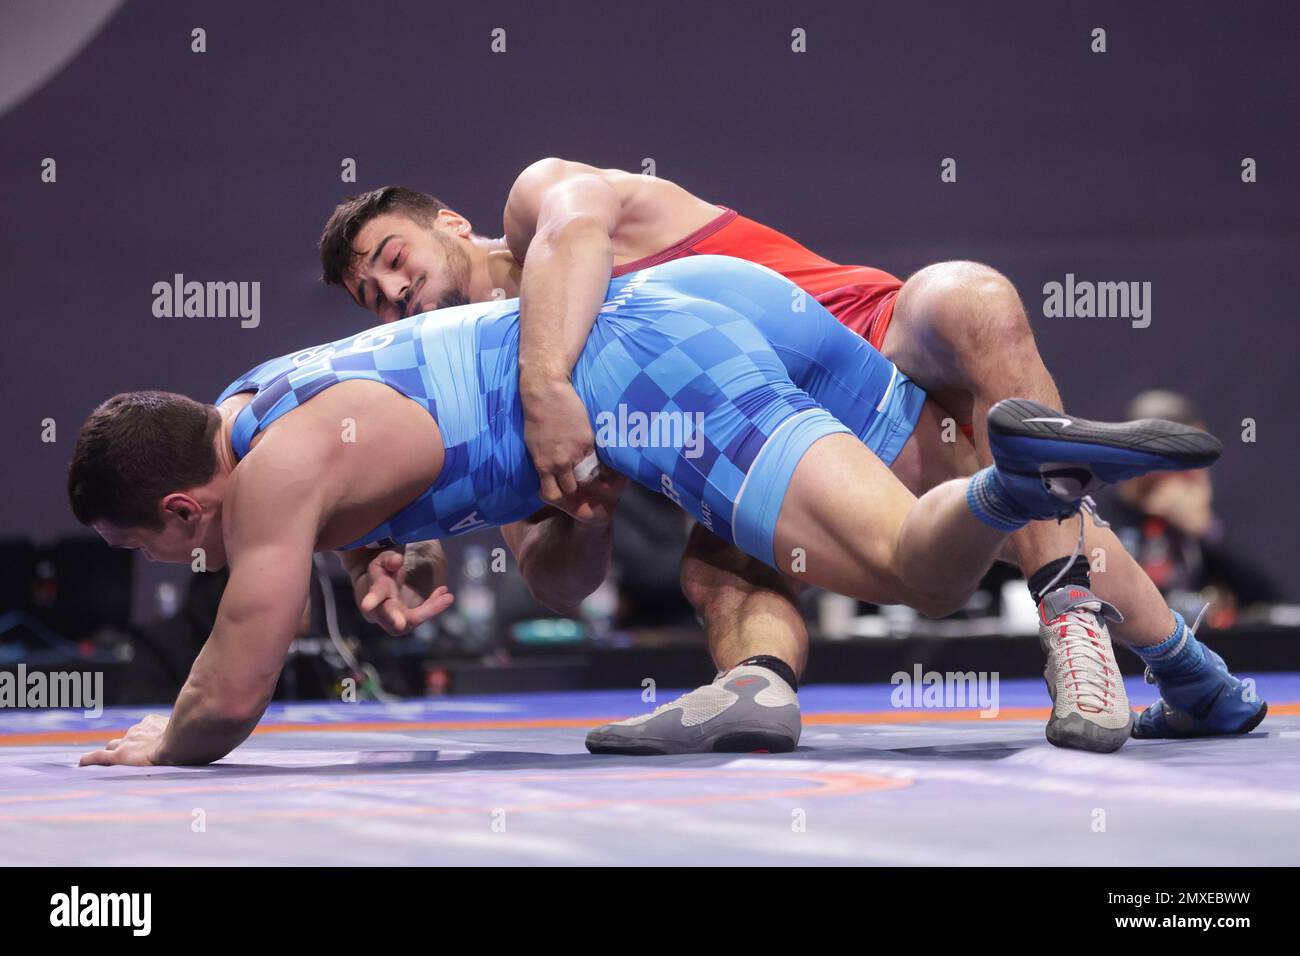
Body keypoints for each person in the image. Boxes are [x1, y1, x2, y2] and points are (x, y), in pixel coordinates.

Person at [69, 256, 1223, 766]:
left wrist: (171, 734)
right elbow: (558, 573)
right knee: (872, 504)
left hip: (648, 365)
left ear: (181, 506)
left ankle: (1007, 470)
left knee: (913, 569)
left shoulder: (272, 473)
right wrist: (390, 534)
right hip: (687, 331)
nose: (193, 563)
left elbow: (232, 684)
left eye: (164, 546)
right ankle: (1183, 664)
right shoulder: (252, 403)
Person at [317, 164, 1263, 753]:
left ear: (446, 219)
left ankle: (1074, 620)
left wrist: (549, 388)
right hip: (758, 436)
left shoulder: (541, 207)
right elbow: (560, 582)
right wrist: (579, 514)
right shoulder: (488, 392)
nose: (392, 292)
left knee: (974, 300)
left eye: (391, 256)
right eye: (371, 296)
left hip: (869, 338)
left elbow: (573, 233)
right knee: (717, 569)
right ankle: (756, 691)